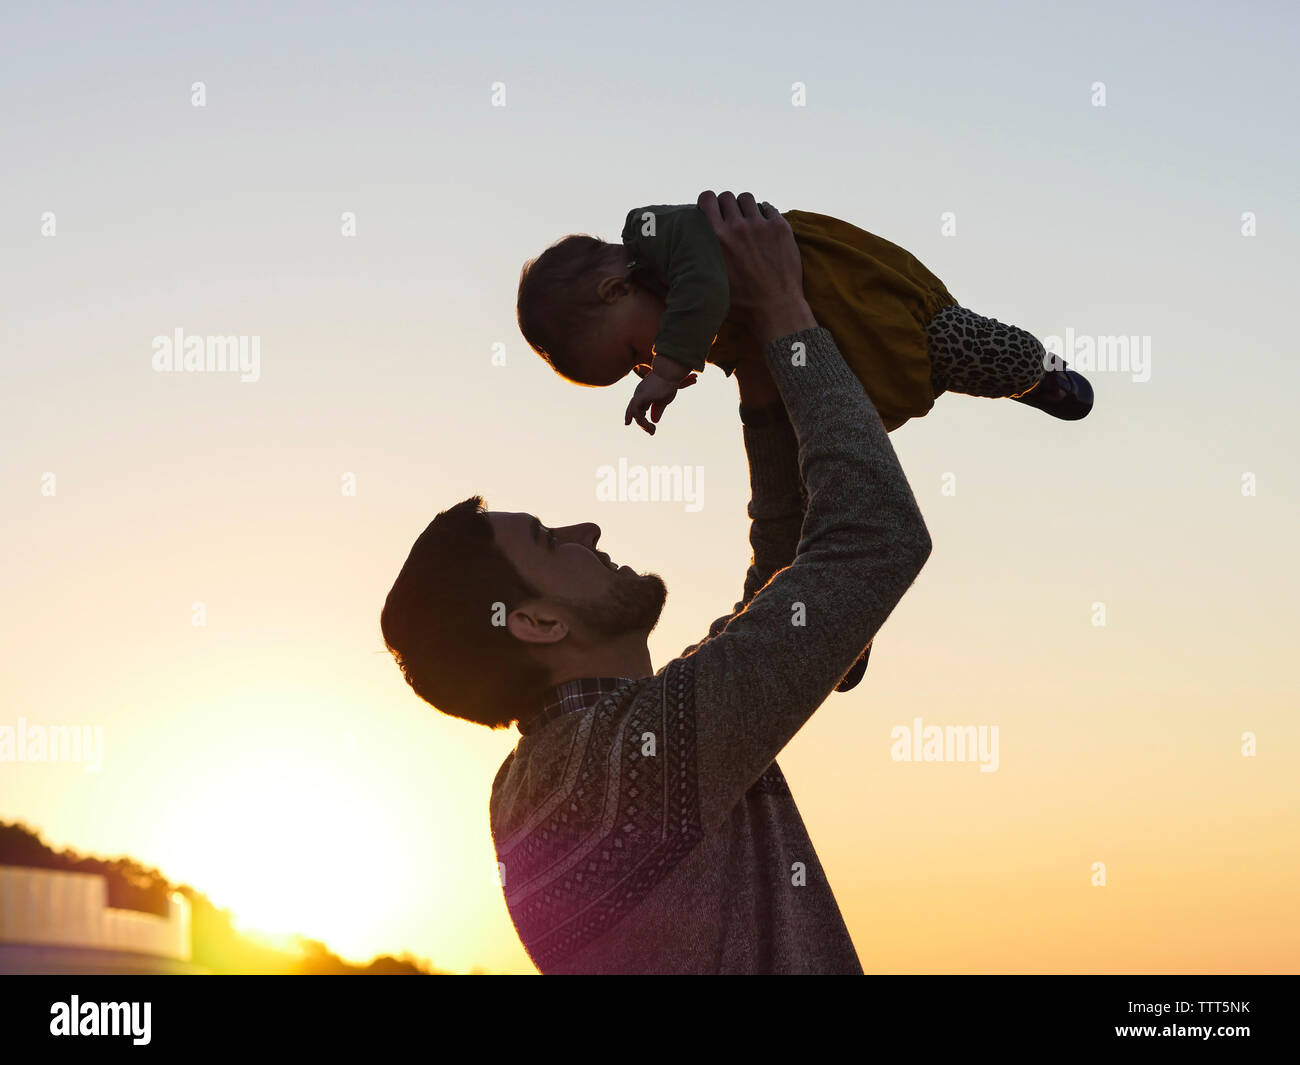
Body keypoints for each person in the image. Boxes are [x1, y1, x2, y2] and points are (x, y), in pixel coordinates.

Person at [381, 191, 932, 973]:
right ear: (534, 621)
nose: (587, 530)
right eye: (549, 539)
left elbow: (783, 605)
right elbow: (875, 538)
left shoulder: (577, 770)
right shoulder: (613, 768)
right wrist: (784, 310)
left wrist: (760, 380)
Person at [516, 197, 1092, 435]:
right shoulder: (686, 320)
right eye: (640, 370)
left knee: (955, 346)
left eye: (631, 357)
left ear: (615, 289)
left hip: (848, 290)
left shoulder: (652, 234)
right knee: (834, 441)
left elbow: (704, 283)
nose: (646, 365)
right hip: (825, 345)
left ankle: (1035, 374)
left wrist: (666, 369)